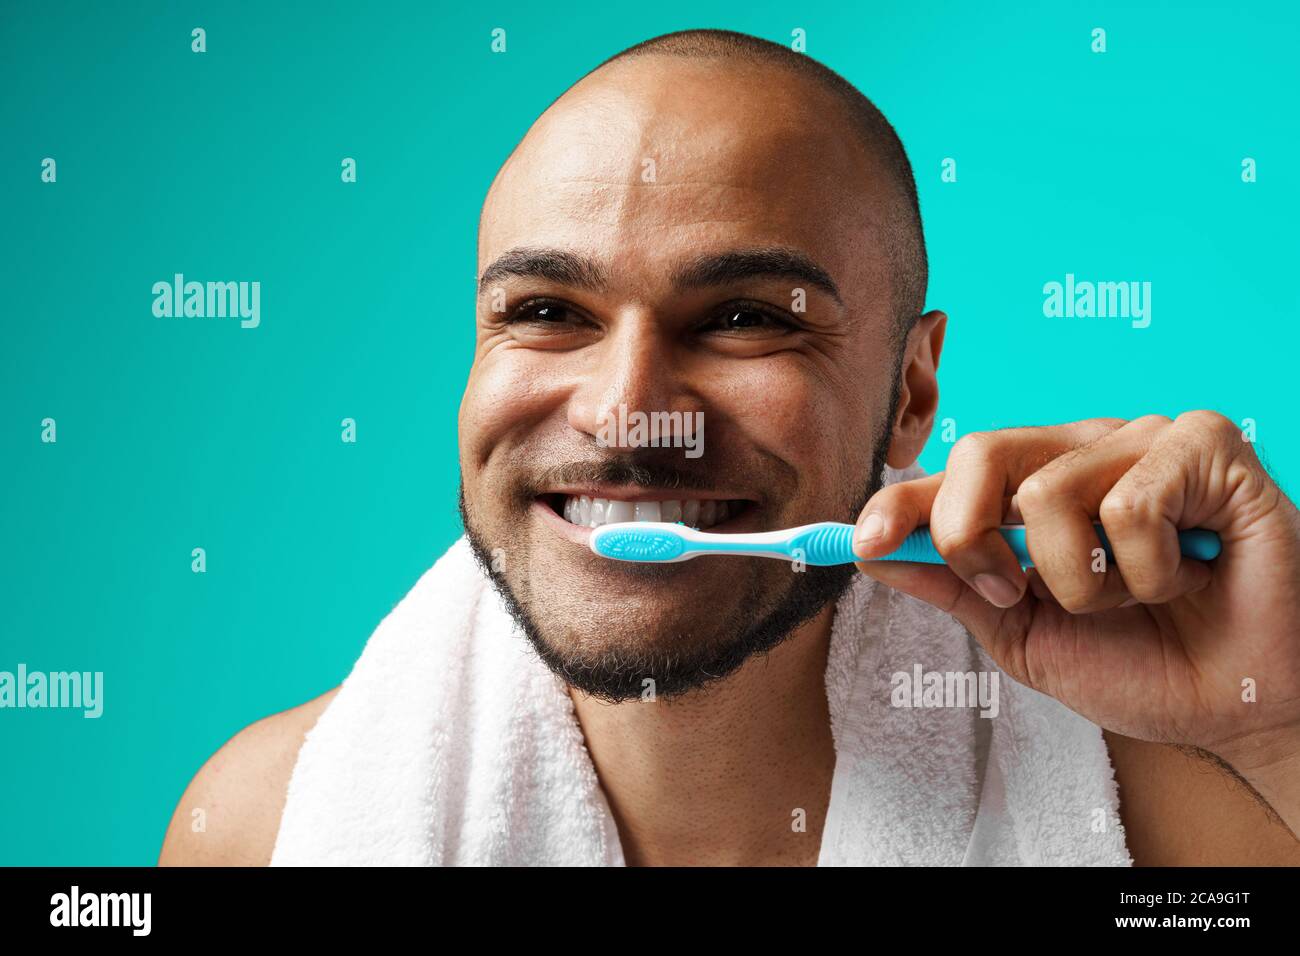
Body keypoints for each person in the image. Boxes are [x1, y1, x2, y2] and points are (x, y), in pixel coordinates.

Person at [160, 29, 1300, 866]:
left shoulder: (1201, 819)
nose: (625, 411)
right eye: (548, 310)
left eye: (748, 315)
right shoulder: (261, 826)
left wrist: (1279, 725)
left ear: (911, 392)